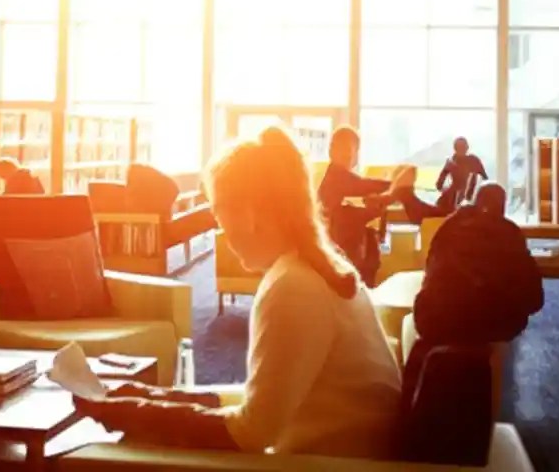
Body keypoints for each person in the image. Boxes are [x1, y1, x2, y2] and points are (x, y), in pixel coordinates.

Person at [74, 127, 402, 458]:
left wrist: (135, 413)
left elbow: (251, 432)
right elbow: (263, 401)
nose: (221, 228)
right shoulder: (315, 268)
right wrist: (155, 398)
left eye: (219, 212)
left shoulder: (292, 289)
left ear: (249, 214)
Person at [317, 126, 403, 286]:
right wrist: (395, 186)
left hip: (351, 250)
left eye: (351, 151)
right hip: (345, 252)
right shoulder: (337, 178)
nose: (348, 156)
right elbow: (365, 187)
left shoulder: (343, 179)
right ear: (331, 151)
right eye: (343, 150)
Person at [435, 137, 488, 210]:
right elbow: (439, 184)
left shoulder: (473, 160)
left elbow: (485, 180)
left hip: (468, 199)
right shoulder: (451, 161)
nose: (462, 149)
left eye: (463, 147)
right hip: (453, 198)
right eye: (459, 147)